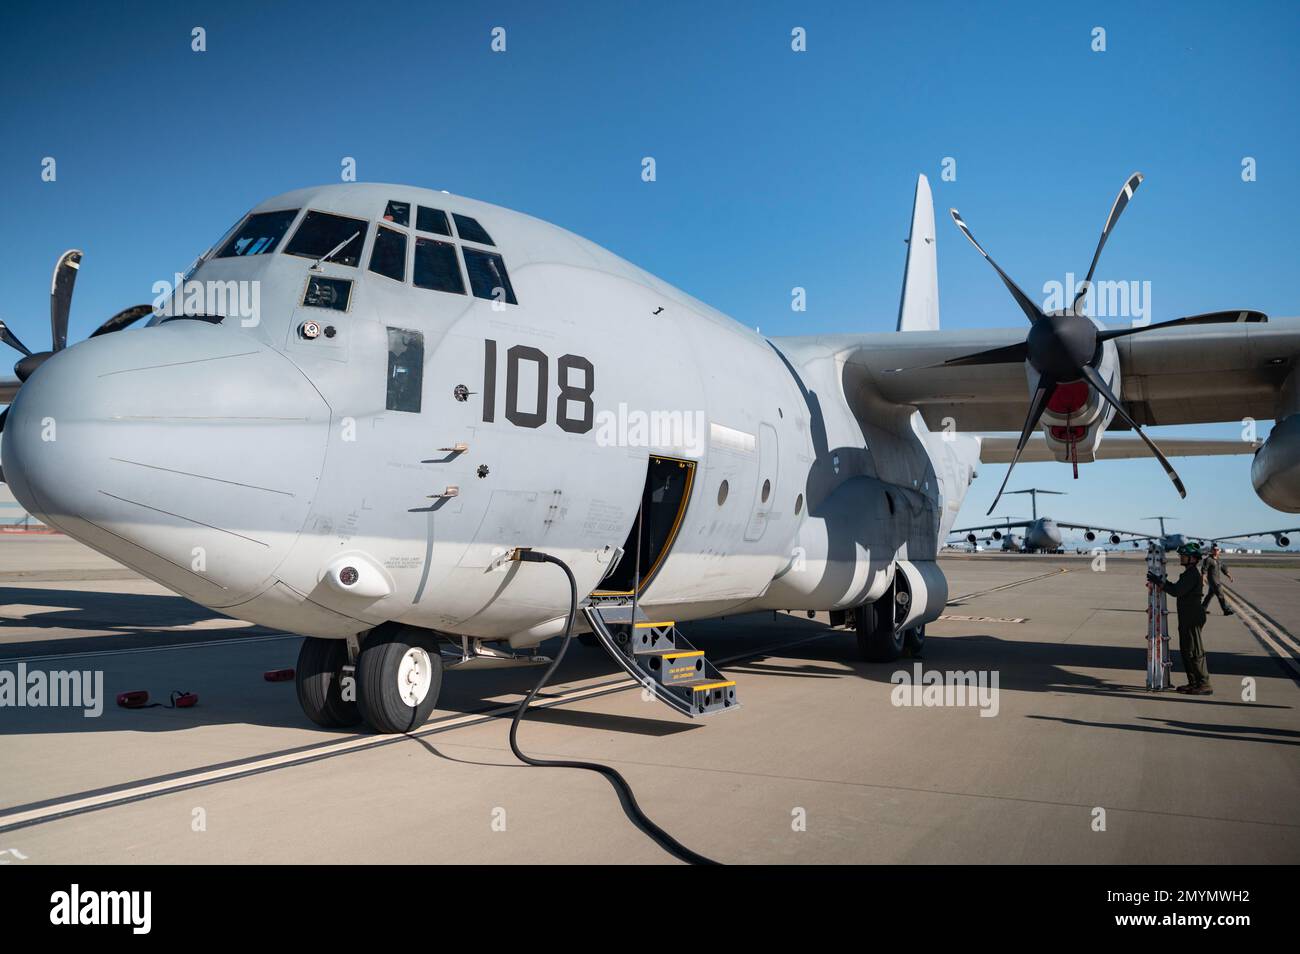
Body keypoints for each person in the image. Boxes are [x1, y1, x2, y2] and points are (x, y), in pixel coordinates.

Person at [1151, 542, 1213, 695]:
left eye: (1184, 556)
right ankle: (1193, 682)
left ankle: (1204, 684)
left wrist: (1161, 583)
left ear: (1192, 558)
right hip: (1187, 617)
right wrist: (1162, 582)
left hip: (1192, 617)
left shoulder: (1192, 575)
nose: (1181, 558)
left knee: (1195, 651)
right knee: (1186, 651)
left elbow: (1177, 591)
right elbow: (1177, 589)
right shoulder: (1188, 574)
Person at [1200, 544, 1234, 615]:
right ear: (1211, 551)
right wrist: (1203, 580)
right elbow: (1204, 570)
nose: (1216, 551)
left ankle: (1202, 608)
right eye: (1214, 550)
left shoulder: (1218, 560)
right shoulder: (1208, 560)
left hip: (1217, 580)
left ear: (1219, 551)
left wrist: (1230, 576)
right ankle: (1226, 610)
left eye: (1217, 550)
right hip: (1213, 581)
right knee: (1220, 594)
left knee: (1210, 595)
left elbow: (1223, 569)